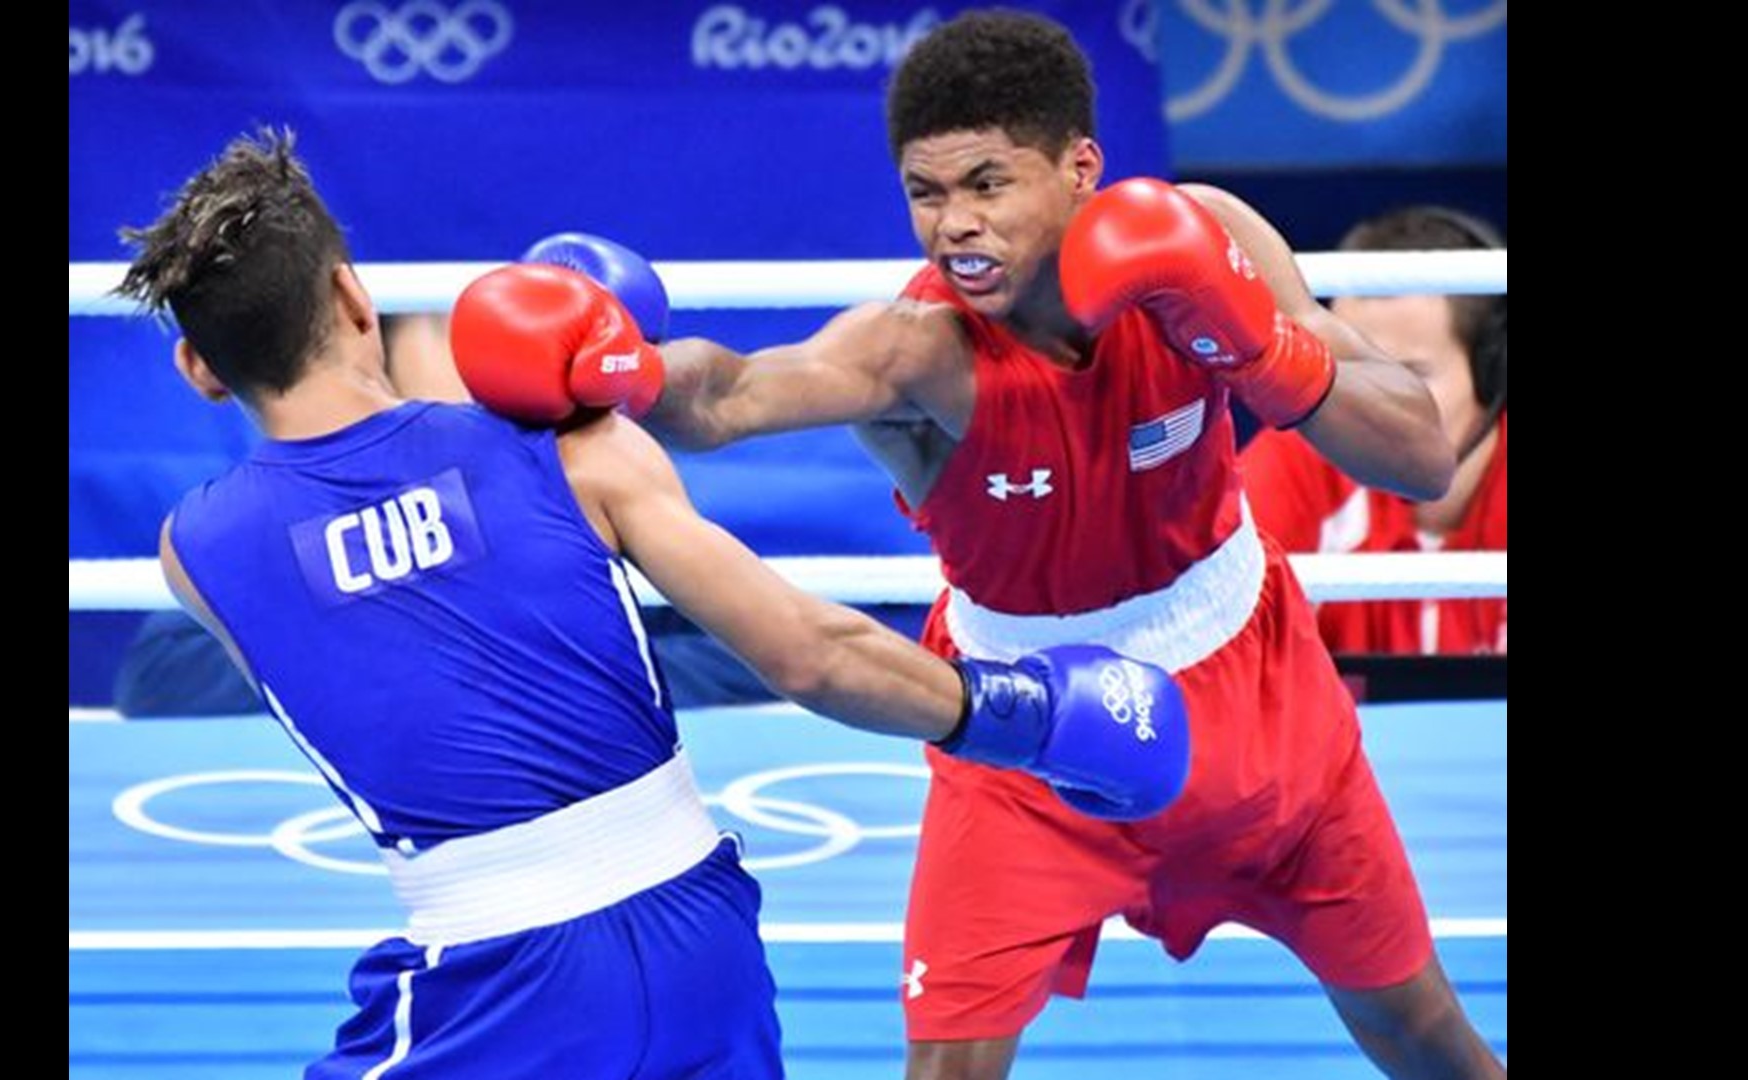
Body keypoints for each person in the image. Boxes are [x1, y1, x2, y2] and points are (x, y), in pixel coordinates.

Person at [114, 129, 1192, 1079]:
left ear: (198, 368)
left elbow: (366, 576)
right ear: (354, 298)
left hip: (488, 981)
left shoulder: (197, 550)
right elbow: (811, 654)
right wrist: (1028, 714)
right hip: (698, 937)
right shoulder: (569, 448)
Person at [556, 10, 1501, 1078]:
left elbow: (1420, 456)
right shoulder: (919, 350)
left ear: (1080, 166)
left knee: (1422, 1036)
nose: (955, 225)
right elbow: (731, 395)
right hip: (1027, 733)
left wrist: (1260, 347)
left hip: (1259, 696)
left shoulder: (1209, 237)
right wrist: (619, 369)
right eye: (928, 193)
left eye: (988, 184)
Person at [1242, 206, 1507, 655]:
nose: (1372, 404)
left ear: (1491, 373)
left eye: (1411, 376)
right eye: (1347, 370)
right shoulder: (1297, 461)